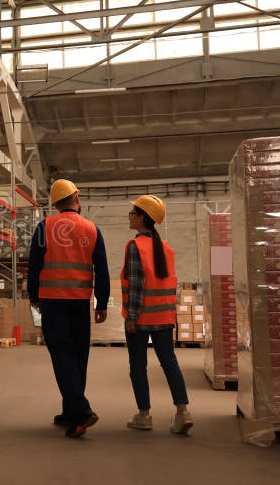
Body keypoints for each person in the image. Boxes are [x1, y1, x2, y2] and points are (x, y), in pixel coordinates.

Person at [28, 179, 110, 438]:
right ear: (76, 198)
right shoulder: (92, 229)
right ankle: (71, 414)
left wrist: (33, 295)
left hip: (53, 301)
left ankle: (81, 410)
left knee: (62, 354)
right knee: (78, 356)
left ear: (55, 203)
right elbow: (102, 270)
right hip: (80, 302)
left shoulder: (45, 227)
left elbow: (34, 265)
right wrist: (102, 302)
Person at [121, 195, 193, 434]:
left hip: (141, 318)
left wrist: (132, 317)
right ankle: (183, 412)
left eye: (132, 213)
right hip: (163, 316)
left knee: (138, 366)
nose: (130, 217)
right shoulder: (166, 248)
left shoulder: (135, 247)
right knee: (169, 362)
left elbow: (136, 285)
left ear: (142, 218)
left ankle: (144, 415)